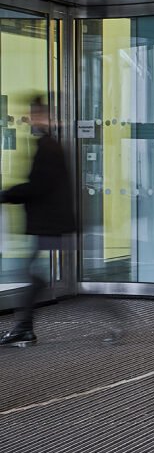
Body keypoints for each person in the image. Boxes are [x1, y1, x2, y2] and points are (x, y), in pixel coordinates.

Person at [0, 96, 76, 347]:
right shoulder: (47, 145)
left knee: (29, 273)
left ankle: (24, 327)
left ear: (44, 118)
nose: (30, 120)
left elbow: (39, 186)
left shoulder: (47, 147)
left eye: (34, 116)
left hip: (49, 222)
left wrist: (8, 194)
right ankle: (25, 327)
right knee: (29, 272)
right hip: (49, 221)